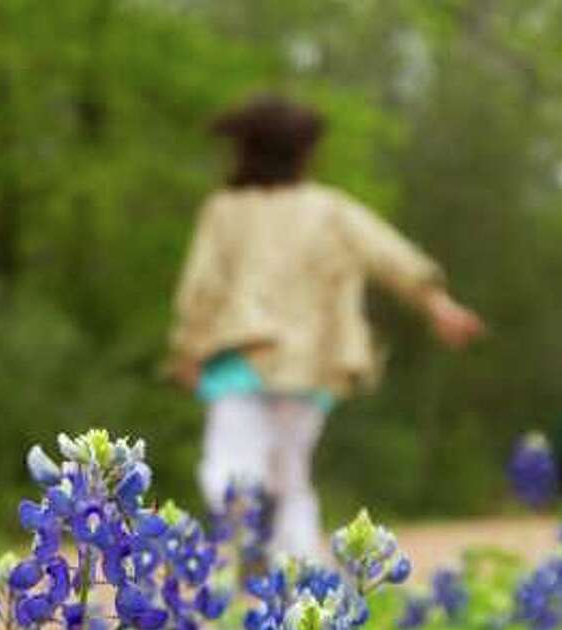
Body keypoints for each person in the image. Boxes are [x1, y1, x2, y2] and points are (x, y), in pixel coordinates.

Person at [168, 93, 485, 560]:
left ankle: (239, 563)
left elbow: (201, 287)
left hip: (241, 359)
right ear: (304, 153)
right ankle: (296, 580)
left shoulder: (225, 210)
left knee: (232, 469)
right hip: (312, 365)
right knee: (291, 478)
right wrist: (437, 303)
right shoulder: (331, 208)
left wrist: (188, 350)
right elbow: (390, 254)